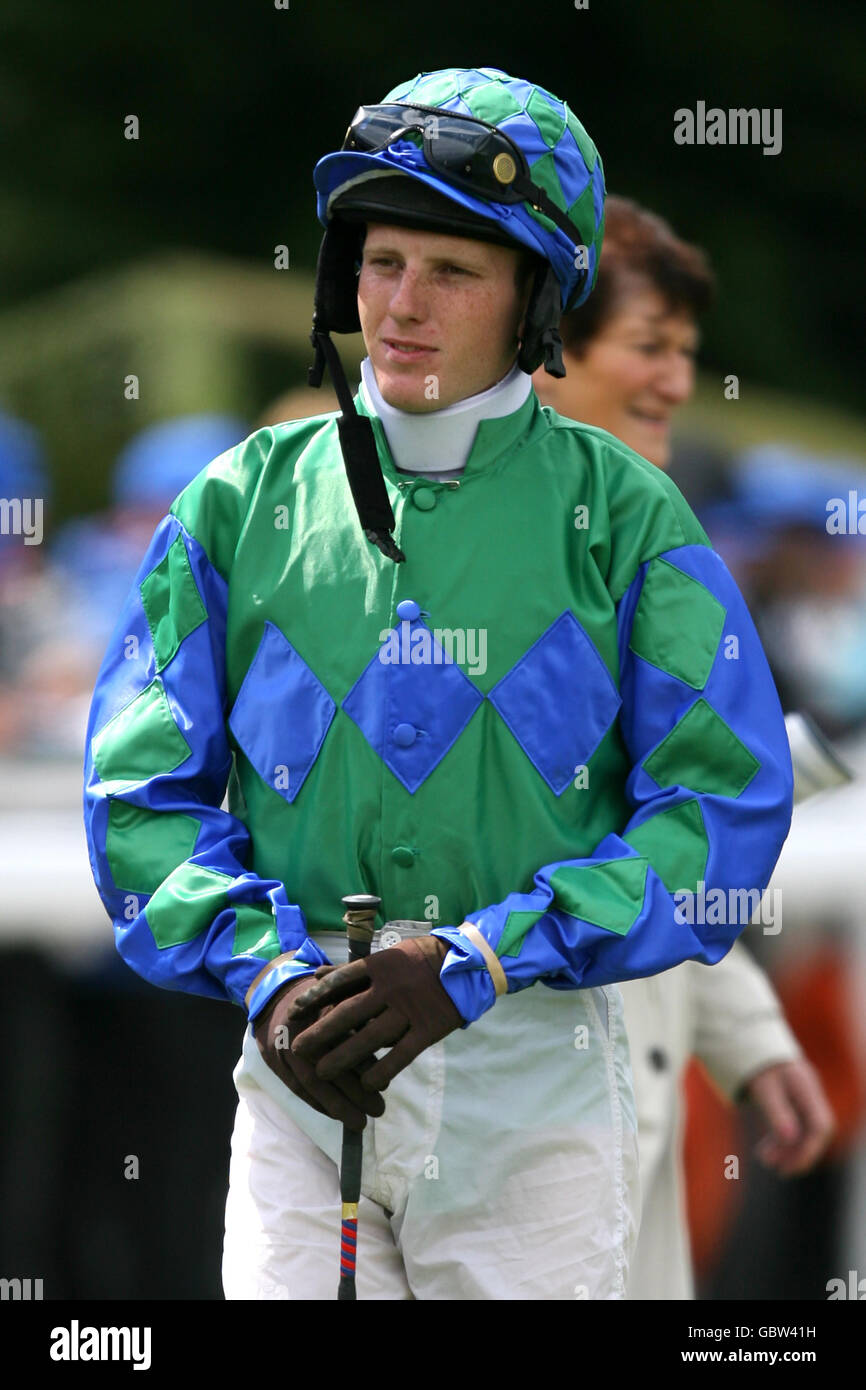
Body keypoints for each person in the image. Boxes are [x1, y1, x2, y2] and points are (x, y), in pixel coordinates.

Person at [83, 67, 793, 1301]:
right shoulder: (233, 505)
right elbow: (139, 791)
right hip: (299, 1067)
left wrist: (478, 956)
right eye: (379, 262)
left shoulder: (628, 519)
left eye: (452, 272)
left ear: (535, 299)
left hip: (531, 1071)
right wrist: (269, 976)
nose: (401, 307)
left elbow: (716, 817)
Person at [533, 197, 835, 1298]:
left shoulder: (643, 542)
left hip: (627, 1086)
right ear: (548, 351)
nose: (672, 382)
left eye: (685, 354)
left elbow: (667, 833)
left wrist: (744, 1032)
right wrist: (829, 739)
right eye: (647, 347)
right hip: (518, 1106)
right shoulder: (481, 560)